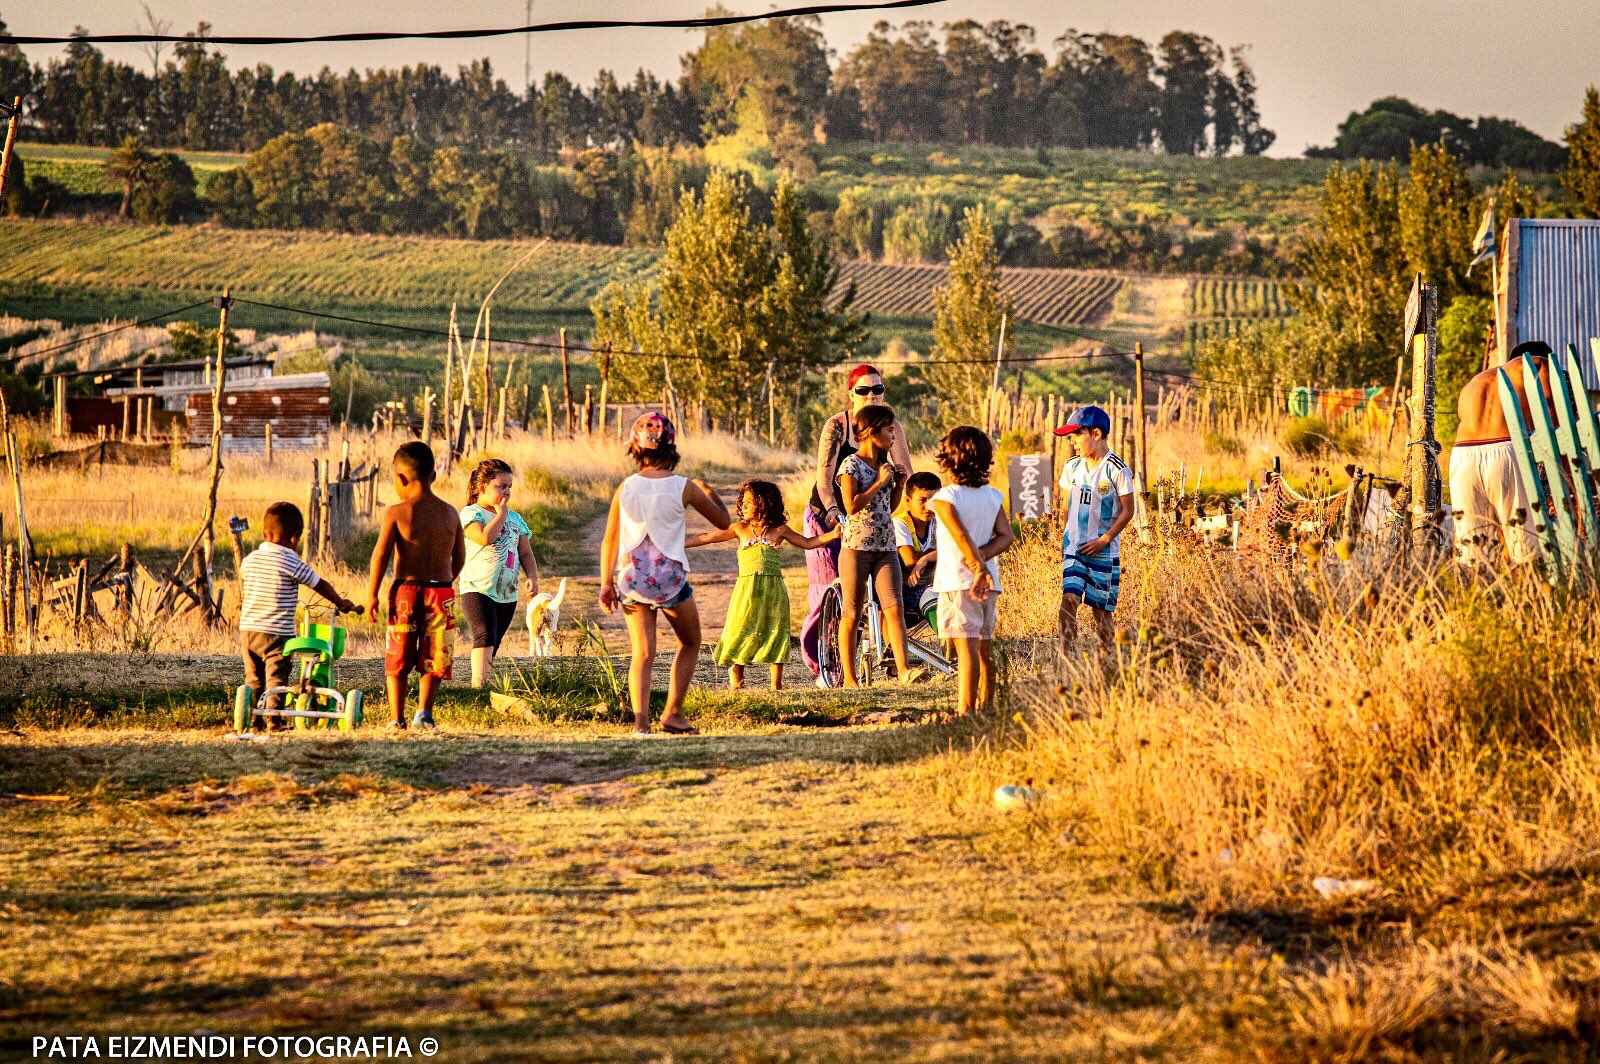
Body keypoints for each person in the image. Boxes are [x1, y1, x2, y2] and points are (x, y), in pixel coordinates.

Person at [598, 412, 730, 735]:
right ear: (672, 449)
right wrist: (707, 489)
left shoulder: (625, 488)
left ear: (636, 450)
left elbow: (610, 539)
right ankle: (672, 712)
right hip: (670, 580)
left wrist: (606, 583)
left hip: (633, 579)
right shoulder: (683, 487)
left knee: (642, 652)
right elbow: (724, 522)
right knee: (691, 641)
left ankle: (640, 725)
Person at [801, 364, 913, 675]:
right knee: (832, 591)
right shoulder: (838, 426)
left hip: (875, 527)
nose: (872, 395)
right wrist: (834, 514)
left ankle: (889, 660)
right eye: (864, 390)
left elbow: (906, 469)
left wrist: (905, 488)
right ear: (851, 394)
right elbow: (825, 480)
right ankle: (826, 664)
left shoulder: (892, 427)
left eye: (878, 389)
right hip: (831, 512)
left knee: (887, 599)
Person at [689, 479, 839, 692]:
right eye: (744, 502)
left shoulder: (780, 530)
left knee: (775, 631)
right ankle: (737, 678)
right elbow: (708, 538)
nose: (743, 506)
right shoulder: (739, 529)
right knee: (741, 629)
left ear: (764, 504)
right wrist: (678, 542)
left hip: (773, 591)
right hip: (746, 591)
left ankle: (776, 684)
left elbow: (807, 543)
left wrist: (832, 535)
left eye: (749, 503)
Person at [366, 441, 465, 730]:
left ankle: (397, 718)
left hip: (406, 592)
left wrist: (372, 594)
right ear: (433, 475)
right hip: (441, 591)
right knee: (435, 655)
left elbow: (380, 555)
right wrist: (446, 583)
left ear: (400, 478)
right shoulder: (450, 513)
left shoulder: (397, 513)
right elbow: (459, 557)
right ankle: (424, 713)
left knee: (398, 655)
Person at [238, 502, 358, 731]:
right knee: (276, 676)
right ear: (295, 538)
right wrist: (340, 603)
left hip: (248, 629)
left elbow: (246, 580)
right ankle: (275, 719)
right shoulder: (290, 560)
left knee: (253, 678)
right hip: (276, 631)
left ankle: (253, 720)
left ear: (264, 533)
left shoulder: (250, 559)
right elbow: (318, 584)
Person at [929, 427, 1014, 714]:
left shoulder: (945, 497)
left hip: (960, 582)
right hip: (989, 584)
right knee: (984, 650)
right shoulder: (992, 496)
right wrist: (984, 563)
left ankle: (966, 712)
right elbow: (1006, 536)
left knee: (966, 653)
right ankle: (986, 707)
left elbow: (960, 535)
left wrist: (976, 568)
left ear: (949, 461)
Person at [1450, 340, 1554, 569]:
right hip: (1504, 449)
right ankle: (1525, 597)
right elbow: (1551, 412)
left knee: (1472, 551)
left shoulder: (1474, 382)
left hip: (1462, 456)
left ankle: (1476, 597)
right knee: (1524, 548)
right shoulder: (1536, 363)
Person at [836, 404, 918, 687]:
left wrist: (898, 484)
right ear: (872, 433)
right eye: (889, 429)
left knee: (894, 606)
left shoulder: (884, 465)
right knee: (852, 611)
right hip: (856, 548)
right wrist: (878, 483)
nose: (894, 435)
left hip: (885, 547)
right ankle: (849, 678)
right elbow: (851, 505)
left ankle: (904, 669)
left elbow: (890, 507)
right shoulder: (851, 465)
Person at [1055, 405, 1135, 653]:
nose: (1073, 443)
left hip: (1103, 551)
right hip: (1075, 547)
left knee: (1101, 612)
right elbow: (1067, 504)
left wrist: (1105, 539)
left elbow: (1127, 511)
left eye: (1077, 436)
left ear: (1096, 434)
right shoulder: (1072, 467)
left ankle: (1108, 658)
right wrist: (1064, 535)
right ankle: (1064, 653)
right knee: (1069, 598)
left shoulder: (1117, 470)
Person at [459, 458, 539, 688]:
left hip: (506, 593)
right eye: (500, 486)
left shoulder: (516, 519)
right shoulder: (471, 513)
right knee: (483, 633)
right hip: (477, 588)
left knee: (494, 640)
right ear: (481, 486)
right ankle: (478, 685)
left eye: (509, 487)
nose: (506, 492)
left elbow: (526, 553)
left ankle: (486, 682)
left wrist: (532, 577)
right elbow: (484, 538)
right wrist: (500, 514)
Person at [894, 470, 942, 632]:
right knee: (931, 595)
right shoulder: (900, 524)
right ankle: (949, 645)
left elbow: (958, 550)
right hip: (904, 594)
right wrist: (936, 555)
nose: (928, 506)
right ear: (908, 500)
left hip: (933, 586)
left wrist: (926, 559)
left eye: (933, 500)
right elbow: (910, 560)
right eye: (922, 500)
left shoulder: (940, 521)